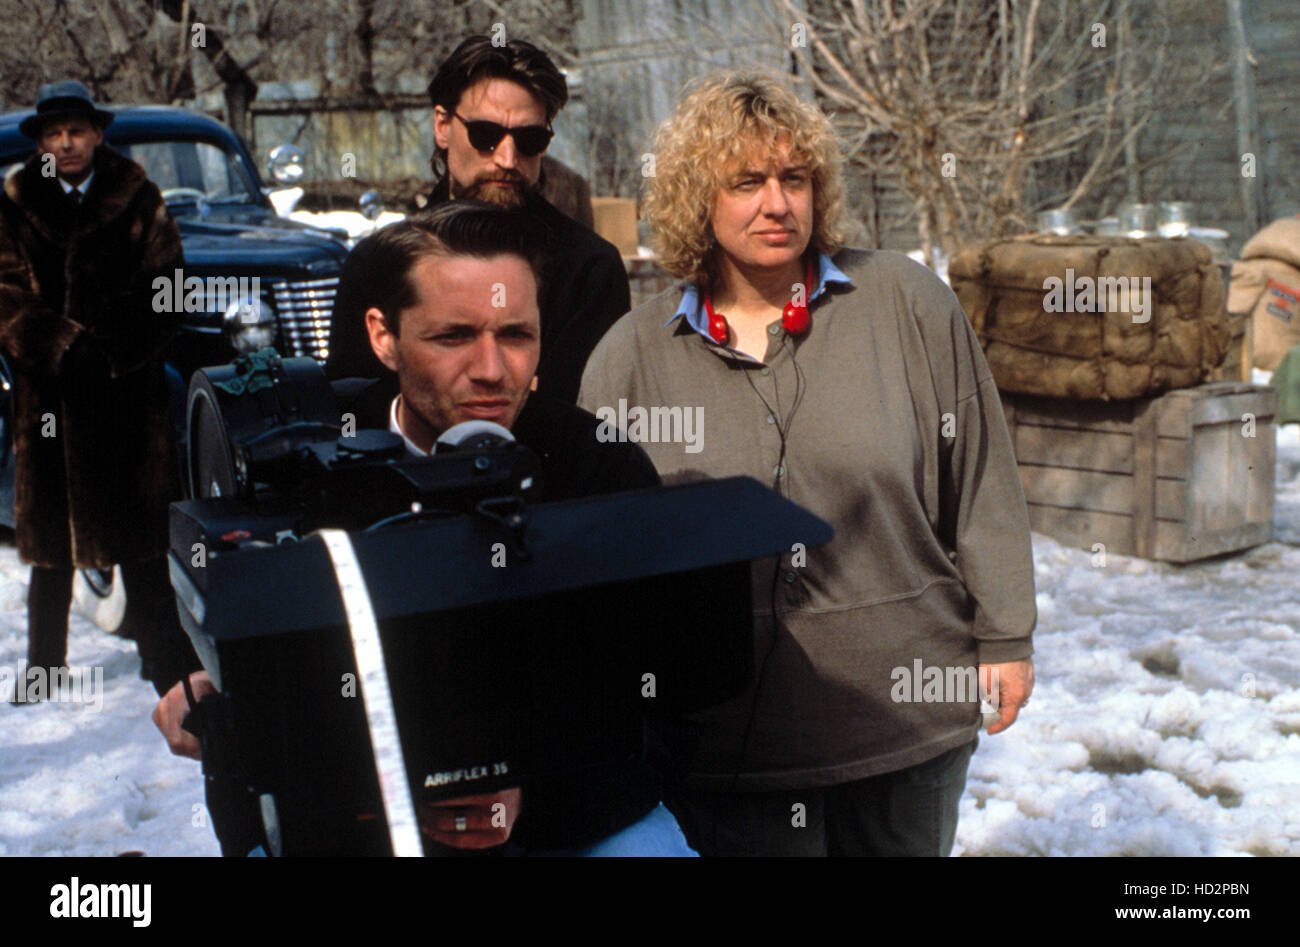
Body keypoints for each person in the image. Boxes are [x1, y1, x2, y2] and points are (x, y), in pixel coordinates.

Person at [578, 72, 1037, 856]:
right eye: (746, 181)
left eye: (795, 178)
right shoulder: (633, 356)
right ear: (699, 197)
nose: (777, 202)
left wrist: (1006, 635)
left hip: (905, 723)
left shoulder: (907, 304)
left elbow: (982, 481)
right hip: (726, 749)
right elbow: (600, 555)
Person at [155, 201, 695, 856]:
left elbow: (660, 707)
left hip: (557, 811)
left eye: (517, 335)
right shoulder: (293, 459)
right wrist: (213, 677)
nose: (492, 369)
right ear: (383, 336)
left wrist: (529, 797)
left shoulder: (598, 466)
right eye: (454, 336)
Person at [0, 80, 197, 703]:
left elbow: (173, 289)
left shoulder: (137, 195)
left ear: (98, 134)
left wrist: (110, 349)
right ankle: (44, 669)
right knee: (51, 546)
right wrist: (57, 343)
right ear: (41, 142)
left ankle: (164, 665)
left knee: (140, 542)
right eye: (55, 133)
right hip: (49, 400)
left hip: (126, 398)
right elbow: (2, 295)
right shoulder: (13, 202)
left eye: (78, 131)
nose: (67, 143)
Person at [325, 35, 630, 407]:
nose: (507, 158)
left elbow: (579, 419)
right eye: (485, 135)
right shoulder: (377, 264)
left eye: (530, 139)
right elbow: (356, 411)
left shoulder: (588, 269)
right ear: (442, 126)